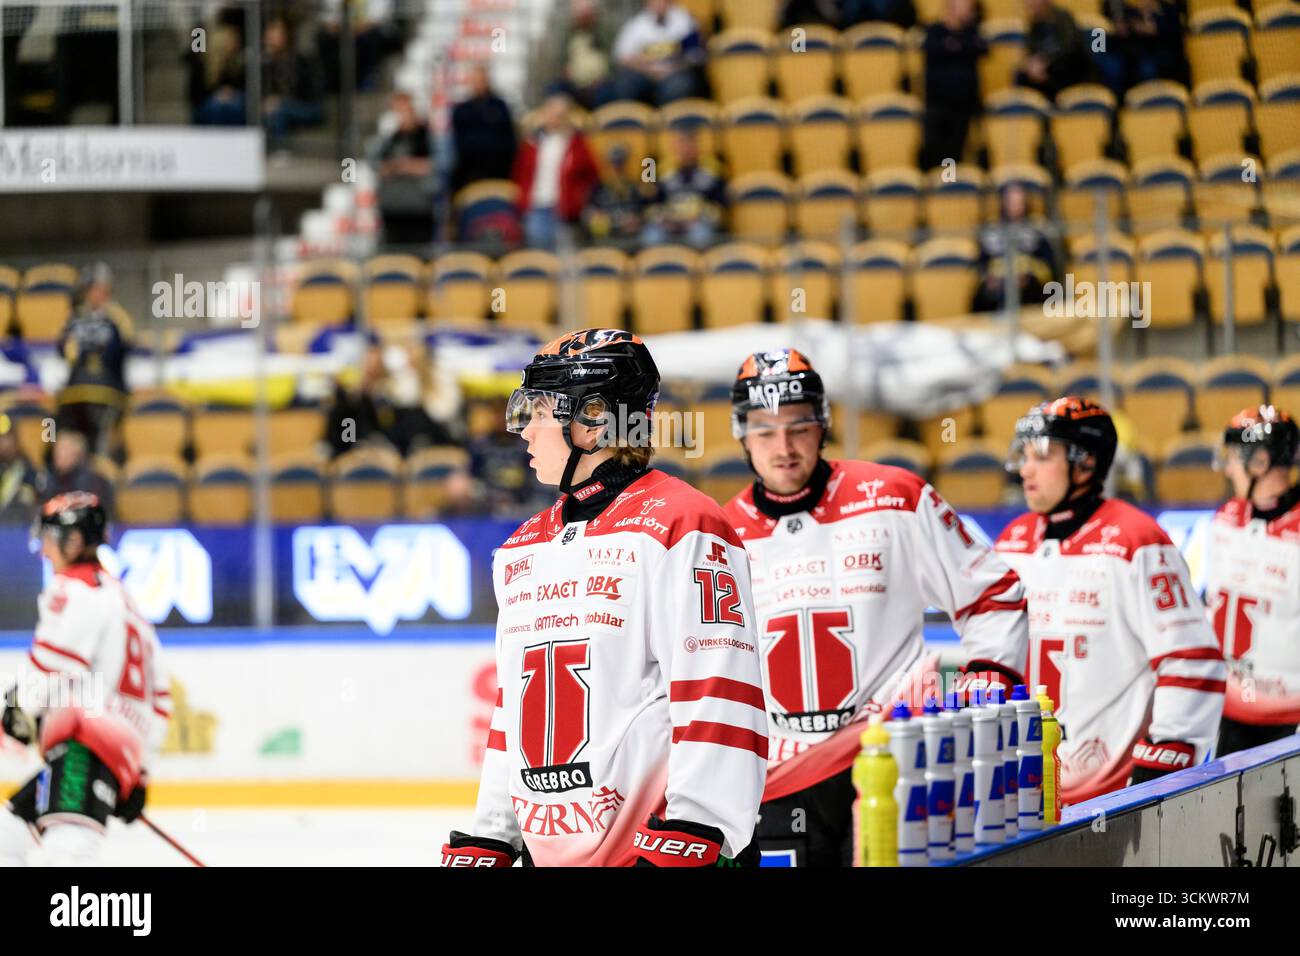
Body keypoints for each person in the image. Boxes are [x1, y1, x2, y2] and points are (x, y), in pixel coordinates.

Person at [443, 329, 765, 867]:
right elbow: (514, 714)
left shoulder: (681, 524)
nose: (523, 431)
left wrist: (695, 828)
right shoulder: (521, 548)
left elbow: (717, 689)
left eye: (540, 411)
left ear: (592, 419)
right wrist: (493, 834)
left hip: (653, 851)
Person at [721, 349, 1029, 866]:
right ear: (741, 435)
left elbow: (992, 592)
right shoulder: (720, 536)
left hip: (893, 755)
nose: (784, 446)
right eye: (764, 429)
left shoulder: (895, 497)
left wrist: (988, 680)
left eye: (798, 426)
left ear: (823, 426)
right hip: (779, 778)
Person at [994, 397, 1225, 805]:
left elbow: (1191, 658)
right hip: (1019, 790)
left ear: (1085, 463)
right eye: (1024, 455)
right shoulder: (1012, 540)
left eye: (1042, 455)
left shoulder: (1137, 541)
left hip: (1108, 796)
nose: (1025, 468)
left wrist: (1165, 757)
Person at [0, 492, 171, 866]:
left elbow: (50, 668)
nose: (44, 551)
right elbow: (160, 698)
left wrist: (16, 711)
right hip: (105, 753)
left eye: (47, 539)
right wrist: (138, 774)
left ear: (73, 541)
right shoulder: (126, 601)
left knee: (66, 856)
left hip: (85, 749)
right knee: (5, 839)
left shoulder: (75, 591)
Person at [1205, 406, 1300, 756]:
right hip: (1227, 712)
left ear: (1260, 461)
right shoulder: (1225, 519)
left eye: (1234, 457)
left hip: (1288, 716)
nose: (1228, 468)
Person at [56, 263, 131, 460]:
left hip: (106, 390)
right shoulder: (75, 319)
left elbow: (122, 348)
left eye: (100, 289)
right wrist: (67, 347)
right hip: (77, 391)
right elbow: (62, 348)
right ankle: (60, 461)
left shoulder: (115, 319)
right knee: (54, 422)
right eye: (92, 289)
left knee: (104, 431)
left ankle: (101, 461)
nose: (96, 294)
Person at [512, 93, 600, 251]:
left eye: (559, 115)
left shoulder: (577, 144)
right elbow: (520, 174)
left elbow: (591, 174)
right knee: (540, 256)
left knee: (566, 255)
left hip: (565, 209)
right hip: (537, 205)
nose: (554, 119)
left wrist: (579, 198)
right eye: (550, 114)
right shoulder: (532, 144)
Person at [920, 0, 986, 171]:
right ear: (950, 9)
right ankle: (939, 188)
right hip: (938, 105)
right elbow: (932, 49)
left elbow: (982, 48)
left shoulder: (972, 32)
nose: (968, 12)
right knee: (937, 150)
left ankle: (952, 188)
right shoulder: (934, 31)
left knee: (956, 152)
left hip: (963, 105)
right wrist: (956, 47)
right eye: (964, 8)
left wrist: (956, 46)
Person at [972, 182, 1057, 313]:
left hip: (1029, 282)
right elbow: (981, 264)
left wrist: (1028, 276)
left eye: (1019, 202)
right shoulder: (991, 230)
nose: (1016, 206)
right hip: (998, 281)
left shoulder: (1037, 229)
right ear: (1004, 202)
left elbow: (1049, 263)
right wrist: (989, 279)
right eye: (1012, 202)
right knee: (982, 294)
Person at [602, 0, 705, 107]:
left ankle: (668, 121)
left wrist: (672, 68)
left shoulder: (684, 20)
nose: (658, 3)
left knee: (677, 87)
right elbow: (622, 57)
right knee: (624, 85)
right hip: (645, 73)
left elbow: (696, 54)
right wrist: (649, 69)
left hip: (675, 72)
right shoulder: (637, 24)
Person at [641, 130, 726, 249]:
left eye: (689, 144)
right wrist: (664, 220)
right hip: (670, 223)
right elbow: (652, 206)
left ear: (697, 147)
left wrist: (696, 218)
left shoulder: (710, 174)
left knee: (701, 235)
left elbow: (718, 207)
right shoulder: (664, 175)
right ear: (674, 147)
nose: (685, 149)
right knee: (651, 236)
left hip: (697, 222)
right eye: (681, 144)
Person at [374, 91, 437, 245]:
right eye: (397, 110)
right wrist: (401, 166)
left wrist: (404, 166)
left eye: (405, 109)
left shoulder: (427, 136)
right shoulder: (388, 139)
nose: (402, 115)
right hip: (392, 207)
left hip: (419, 206)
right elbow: (379, 167)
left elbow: (434, 165)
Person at [261, 17, 326, 152]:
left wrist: (279, 101)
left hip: (309, 107)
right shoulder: (266, 62)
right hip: (281, 107)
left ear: (286, 37)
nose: (269, 39)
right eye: (268, 35)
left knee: (278, 110)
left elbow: (301, 91)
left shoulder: (300, 60)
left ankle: (280, 150)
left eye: (274, 35)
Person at [450, 64, 518, 194]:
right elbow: (464, 146)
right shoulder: (462, 110)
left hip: (498, 177)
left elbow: (508, 143)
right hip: (469, 178)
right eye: (475, 80)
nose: (478, 84)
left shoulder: (500, 108)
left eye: (481, 79)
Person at [547, 0, 617, 110]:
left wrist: (603, 78)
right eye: (580, 15)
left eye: (586, 15)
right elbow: (559, 61)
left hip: (601, 85)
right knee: (554, 90)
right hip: (573, 85)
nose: (583, 19)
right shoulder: (567, 34)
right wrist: (565, 73)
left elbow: (613, 59)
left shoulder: (604, 32)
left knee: (610, 92)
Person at [1015, 0, 1092, 101]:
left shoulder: (1063, 17)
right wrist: (1031, 65)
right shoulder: (1033, 24)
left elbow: (1070, 48)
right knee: (1021, 75)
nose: (1028, 3)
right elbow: (1031, 50)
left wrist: (1045, 63)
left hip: (1068, 70)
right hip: (1044, 72)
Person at [38, 431, 115, 521]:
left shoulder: (94, 482)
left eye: (64, 450)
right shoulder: (48, 480)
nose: (58, 455)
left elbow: (97, 513)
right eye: (57, 450)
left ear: (77, 455)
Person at [582, 144, 651, 242]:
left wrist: (637, 220)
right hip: (609, 235)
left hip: (636, 234)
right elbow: (589, 215)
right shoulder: (598, 189)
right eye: (614, 163)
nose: (617, 167)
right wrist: (610, 222)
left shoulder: (635, 187)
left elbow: (646, 210)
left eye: (621, 162)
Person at [0, 413, 39, 524]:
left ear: (15, 440)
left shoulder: (28, 471)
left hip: (16, 528)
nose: (2, 444)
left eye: (7, 438)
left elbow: (30, 506)